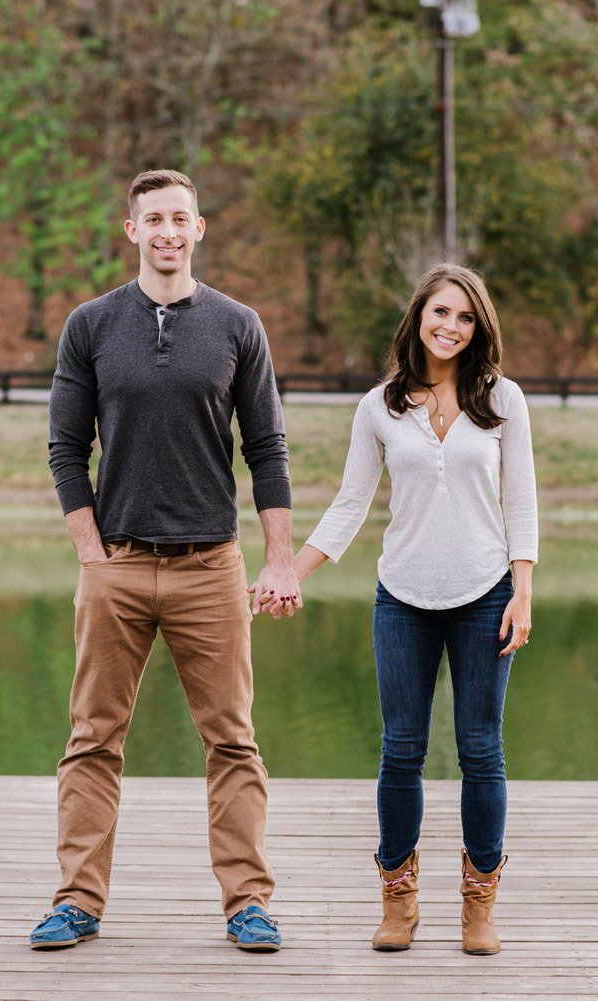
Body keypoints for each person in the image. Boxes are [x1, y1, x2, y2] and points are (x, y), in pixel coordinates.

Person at [34, 168, 301, 953]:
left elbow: (268, 448)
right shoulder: (89, 325)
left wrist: (278, 558)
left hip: (210, 563)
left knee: (233, 740)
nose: (168, 232)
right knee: (91, 738)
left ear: (199, 227)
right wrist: (92, 555)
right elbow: (64, 449)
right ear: (132, 231)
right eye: (153, 219)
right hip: (116, 562)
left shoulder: (237, 325)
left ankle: (247, 902)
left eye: (180, 218)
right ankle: (77, 901)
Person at [283, 263, 538, 956]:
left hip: (486, 594)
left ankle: (479, 903)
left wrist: (523, 588)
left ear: (478, 327)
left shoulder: (504, 398)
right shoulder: (380, 406)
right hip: (402, 598)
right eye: (439, 313)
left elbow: (521, 501)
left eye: (464, 317)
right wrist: (289, 570)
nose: (450, 327)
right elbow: (350, 503)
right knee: (402, 751)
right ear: (417, 319)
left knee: (481, 750)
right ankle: (398, 898)